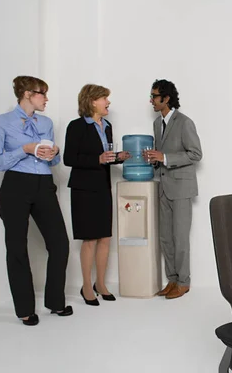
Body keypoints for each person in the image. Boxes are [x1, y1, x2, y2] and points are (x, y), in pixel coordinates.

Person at [0, 75, 73, 326]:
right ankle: (25, 309)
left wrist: (55, 153)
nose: (46, 98)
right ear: (27, 94)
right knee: (17, 248)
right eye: (42, 93)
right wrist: (24, 149)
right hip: (15, 186)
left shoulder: (45, 123)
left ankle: (55, 302)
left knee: (59, 244)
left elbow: (53, 161)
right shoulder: (1, 122)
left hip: (44, 185)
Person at [63, 84, 130, 306]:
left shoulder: (107, 125)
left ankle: (100, 284)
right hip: (83, 189)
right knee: (90, 239)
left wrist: (118, 157)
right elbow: (69, 158)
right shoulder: (77, 126)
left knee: (105, 237)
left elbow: (105, 155)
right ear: (92, 101)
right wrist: (97, 160)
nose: (108, 102)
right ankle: (85, 285)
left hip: (102, 186)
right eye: (104, 99)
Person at [143, 79, 202, 299]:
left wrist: (165, 157)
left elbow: (196, 154)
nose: (151, 100)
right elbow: (161, 156)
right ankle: (172, 279)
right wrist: (154, 159)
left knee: (180, 237)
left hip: (182, 189)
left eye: (154, 96)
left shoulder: (184, 122)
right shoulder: (157, 124)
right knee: (166, 238)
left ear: (166, 98)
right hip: (164, 187)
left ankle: (184, 282)